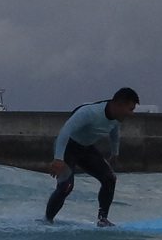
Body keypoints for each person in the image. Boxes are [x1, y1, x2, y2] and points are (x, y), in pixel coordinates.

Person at [45, 87, 140, 227]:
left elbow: (115, 134)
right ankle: (47, 220)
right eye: (130, 109)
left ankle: (103, 220)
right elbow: (65, 131)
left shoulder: (116, 118)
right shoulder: (89, 112)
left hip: (86, 149)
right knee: (66, 186)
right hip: (68, 148)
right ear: (119, 104)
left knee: (110, 179)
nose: (131, 113)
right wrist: (58, 158)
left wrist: (115, 154)